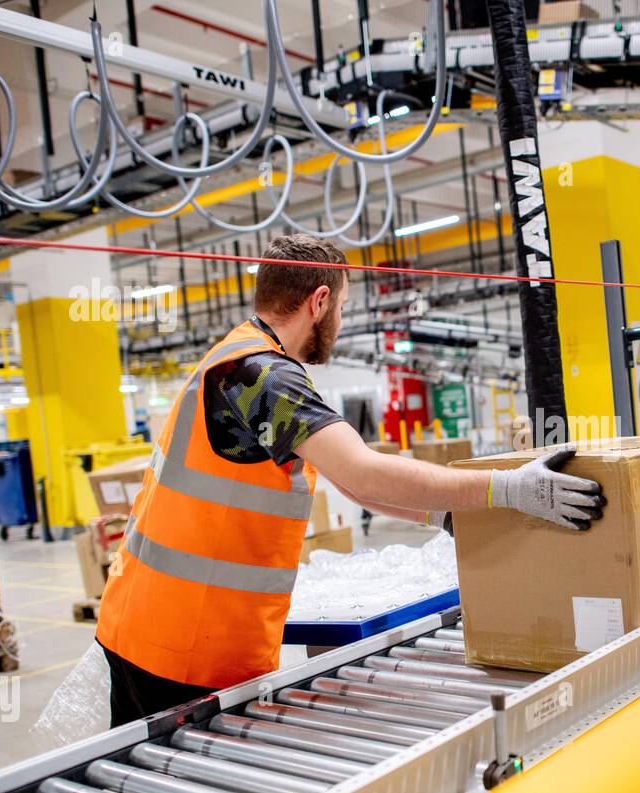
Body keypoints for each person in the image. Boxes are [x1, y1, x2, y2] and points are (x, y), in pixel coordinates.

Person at [94, 234, 604, 725]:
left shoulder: (235, 359)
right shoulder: (262, 376)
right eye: (341, 307)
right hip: (186, 650)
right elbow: (364, 469)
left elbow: (349, 480)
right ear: (319, 301)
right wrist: (509, 488)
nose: (340, 320)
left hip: (150, 626)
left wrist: (441, 514)